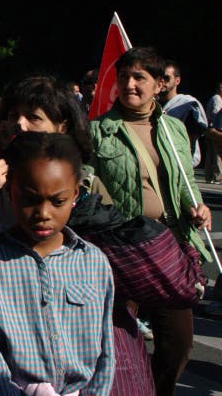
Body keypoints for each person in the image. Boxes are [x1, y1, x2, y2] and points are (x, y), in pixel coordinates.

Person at [89, 46, 212, 396]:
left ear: (159, 84)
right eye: (124, 76)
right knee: (120, 346)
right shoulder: (98, 131)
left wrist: (199, 207)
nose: (129, 84)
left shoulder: (174, 129)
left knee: (177, 344)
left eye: (139, 77)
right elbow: (84, 182)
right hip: (122, 250)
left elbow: (185, 181)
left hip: (169, 248)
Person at [0, 131, 115, 395]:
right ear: (10, 192)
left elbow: (106, 352)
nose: (43, 213)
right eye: (30, 199)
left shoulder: (94, 263)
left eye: (58, 201)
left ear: (76, 193)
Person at [0, 75, 109, 276]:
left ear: (63, 127)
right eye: (14, 115)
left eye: (33, 117)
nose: (20, 124)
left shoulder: (88, 184)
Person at [160, 60, 208, 167]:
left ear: (177, 81)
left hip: (179, 165)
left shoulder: (187, 104)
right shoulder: (151, 104)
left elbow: (192, 138)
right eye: (159, 78)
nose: (162, 81)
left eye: (167, 78)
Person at [205, 82, 222, 184]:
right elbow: (216, 112)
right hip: (215, 127)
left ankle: (209, 176)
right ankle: (218, 176)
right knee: (217, 154)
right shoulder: (217, 99)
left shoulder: (215, 98)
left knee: (211, 153)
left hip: (211, 127)